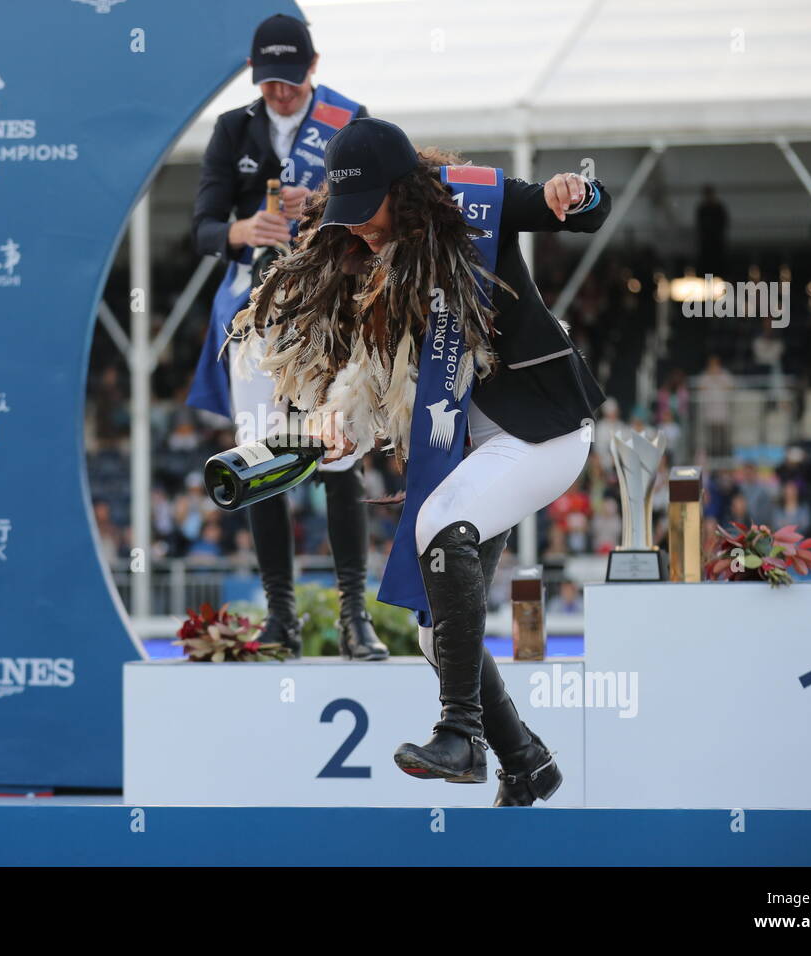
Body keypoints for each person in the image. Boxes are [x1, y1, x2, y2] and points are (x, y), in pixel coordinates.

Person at [232, 118, 611, 805]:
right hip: (478, 448)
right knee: (438, 642)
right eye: (345, 214)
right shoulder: (356, 253)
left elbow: (587, 213)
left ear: (403, 192)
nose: (359, 229)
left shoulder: (473, 207)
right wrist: (341, 426)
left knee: (439, 522)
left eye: (368, 210)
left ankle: (460, 736)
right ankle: (526, 763)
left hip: (547, 431)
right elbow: (369, 378)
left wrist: (574, 193)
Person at [186, 13, 384, 659]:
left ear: (314, 67)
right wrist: (243, 231)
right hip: (255, 318)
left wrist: (324, 204)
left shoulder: (349, 123)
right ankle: (282, 617)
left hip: (329, 309)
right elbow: (203, 226)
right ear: (254, 76)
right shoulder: (231, 130)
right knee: (261, 456)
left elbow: (387, 209)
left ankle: (357, 615)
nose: (281, 94)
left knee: (339, 456)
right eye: (270, 83)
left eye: (291, 83)